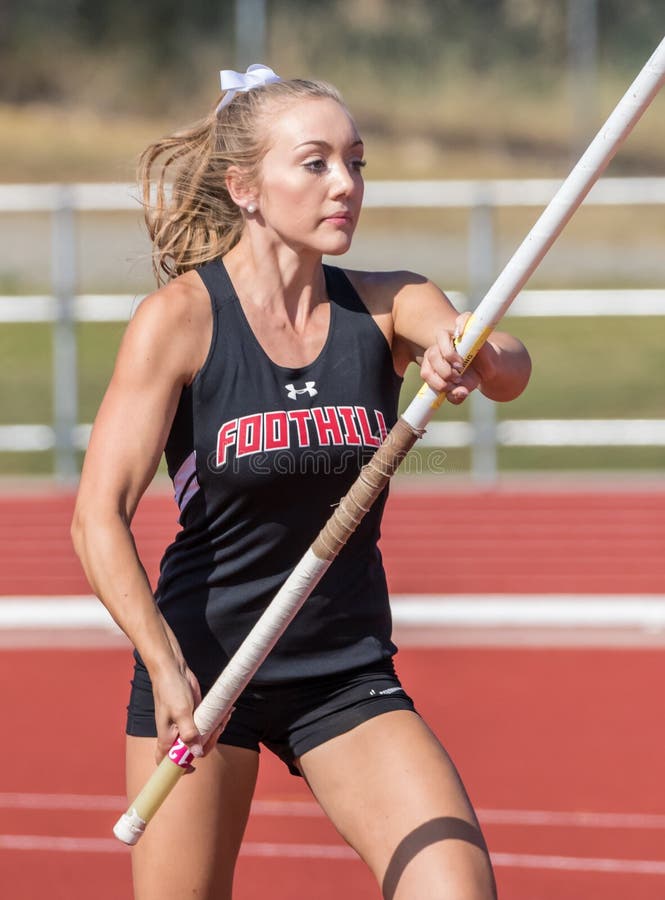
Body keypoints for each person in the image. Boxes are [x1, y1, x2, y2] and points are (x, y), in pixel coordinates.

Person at [71, 63, 531, 900]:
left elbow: (503, 363)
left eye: (355, 162)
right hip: (207, 674)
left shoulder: (388, 305)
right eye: (315, 163)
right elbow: (96, 517)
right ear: (244, 188)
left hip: (343, 673)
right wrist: (164, 665)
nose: (344, 184)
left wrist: (470, 351)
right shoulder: (180, 320)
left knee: (455, 889)